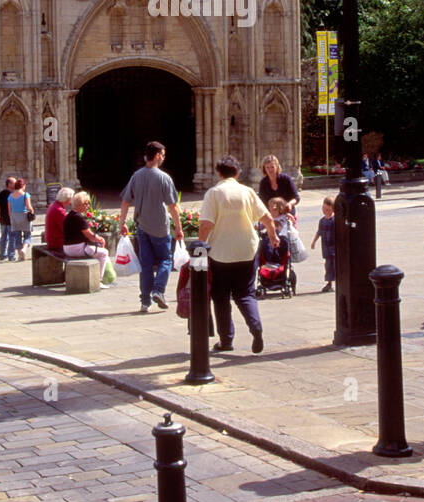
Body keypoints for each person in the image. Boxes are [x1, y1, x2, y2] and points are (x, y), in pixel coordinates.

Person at [199, 156, 278, 354]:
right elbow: (267, 218)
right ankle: (256, 327)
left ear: (218, 173)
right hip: (247, 250)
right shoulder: (247, 191)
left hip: (220, 253)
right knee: (245, 293)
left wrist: (200, 248)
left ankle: (226, 340)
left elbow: (206, 224)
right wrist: (273, 236)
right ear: (238, 173)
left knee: (221, 297)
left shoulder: (214, 193)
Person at [119, 141, 184, 314]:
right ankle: (158, 290)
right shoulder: (164, 178)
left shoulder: (136, 176)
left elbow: (125, 201)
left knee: (146, 265)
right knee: (165, 260)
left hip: (142, 227)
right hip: (160, 227)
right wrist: (178, 227)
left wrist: (122, 222)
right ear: (156, 156)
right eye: (162, 155)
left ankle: (145, 301)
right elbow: (173, 206)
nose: (163, 158)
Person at [63, 191, 109, 282]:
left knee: (96, 250)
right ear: (79, 205)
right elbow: (90, 236)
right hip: (77, 249)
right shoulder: (79, 218)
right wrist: (101, 239)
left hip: (66, 248)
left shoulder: (68, 216)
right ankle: (98, 280)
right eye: (86, 204)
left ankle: (93, 276)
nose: (88, 206)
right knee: (104, 253)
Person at [311, 196, 336, 293]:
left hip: (334, 247)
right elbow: (319, 232)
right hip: (326, 248)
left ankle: (338, 281)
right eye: (323, 208)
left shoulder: (335, 220)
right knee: (328, 265)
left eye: (328, 209)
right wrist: (314, 241)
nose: (325, 211)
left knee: (336, 265)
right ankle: (329, 283)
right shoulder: (322, 221)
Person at [8, 178, 35, 260]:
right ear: (23, 186)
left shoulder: (10, 196)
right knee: (27, 235)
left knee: (17, 237)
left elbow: (9, 210)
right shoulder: (26, 195)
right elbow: (29, 207)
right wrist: (32, 211)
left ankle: (20, 255)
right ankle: (24, 249)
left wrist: (11, 218)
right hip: (24, 216)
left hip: (14, 217)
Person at [0, 175, 18, 262]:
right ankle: (10, 255)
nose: (15, 184)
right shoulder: (12, 194)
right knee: (11, 238)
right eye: (14, 183)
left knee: (4, 238)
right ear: (9, 184)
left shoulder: (1, 193)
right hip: (9, 219)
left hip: (3, 219)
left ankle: (3, 255)